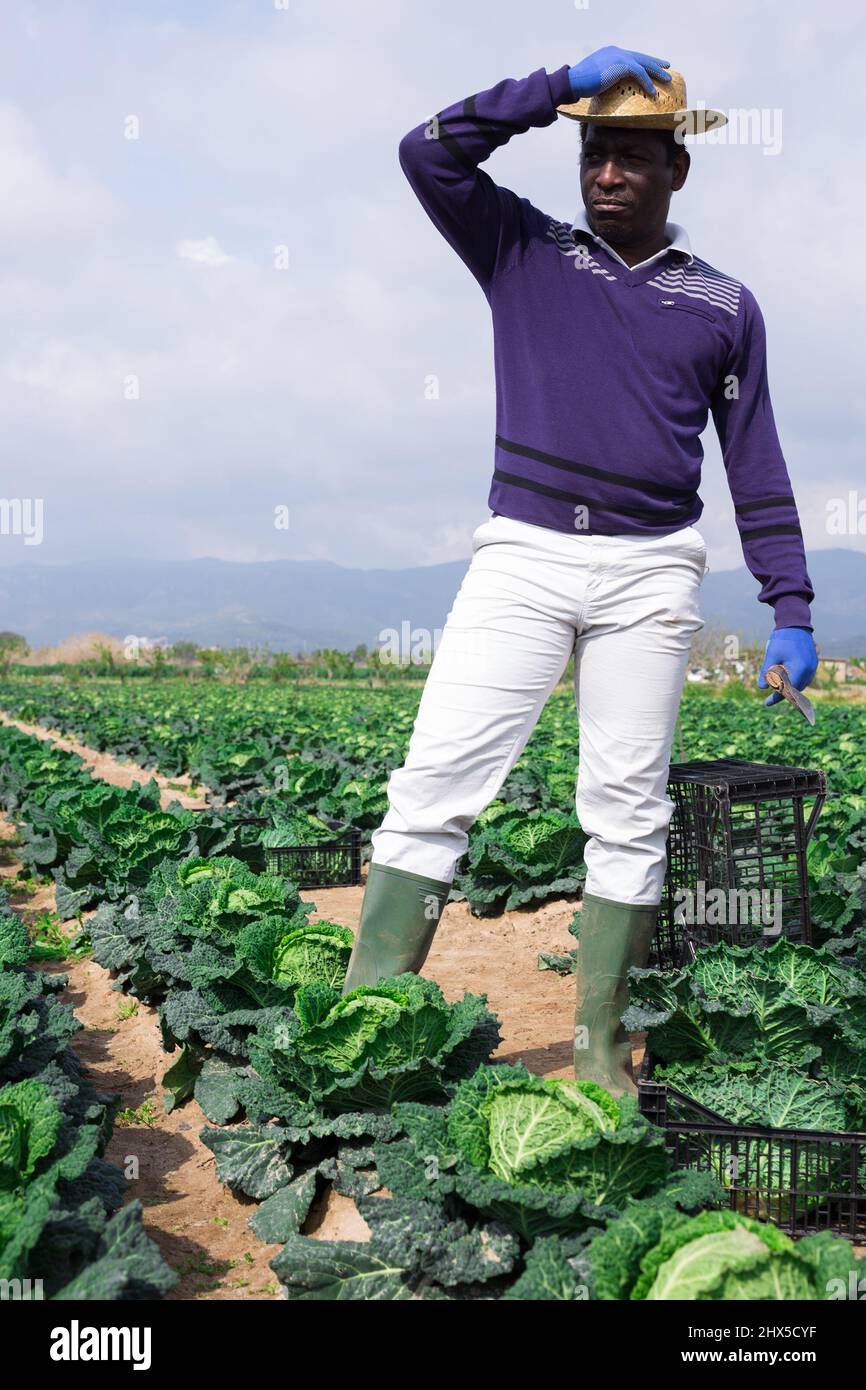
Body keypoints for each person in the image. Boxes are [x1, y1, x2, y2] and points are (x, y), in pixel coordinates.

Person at [341, 47, 819, 1095]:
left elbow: (753, 459)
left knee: (625, 807)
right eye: (592, 153)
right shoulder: (520, 249)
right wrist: (548, 85)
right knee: (432, 790)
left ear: (675, 171)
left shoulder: (722, 307)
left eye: (629, 158)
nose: (605, 174)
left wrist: (788, 599)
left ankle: (600, 1047)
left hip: (651, 574)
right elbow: (427, 152)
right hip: (521, 555)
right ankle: (363, 1025)